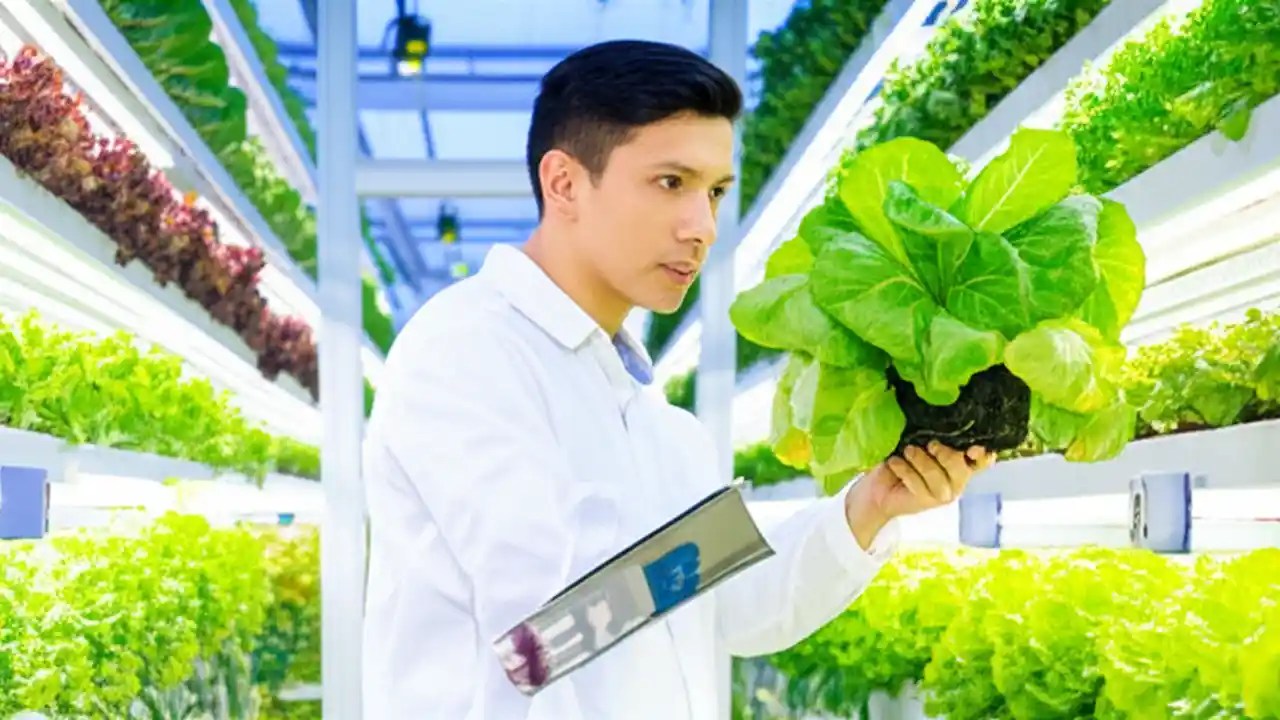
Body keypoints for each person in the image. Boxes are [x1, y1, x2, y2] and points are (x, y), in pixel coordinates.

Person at [361, 39, 996, 719]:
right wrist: (690, 556)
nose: (703, 228)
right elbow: (548, 635)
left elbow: (728, 606)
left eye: (716, 192)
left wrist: (869, 506)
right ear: (565, 183)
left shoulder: (651, 413)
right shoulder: (469, 349)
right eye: (671, 183)